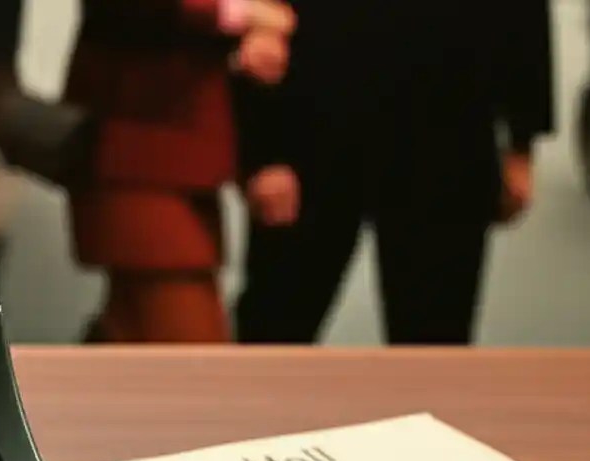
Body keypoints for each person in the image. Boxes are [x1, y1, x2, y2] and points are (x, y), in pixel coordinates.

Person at [234, 0, 554, 344]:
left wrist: (523, 141)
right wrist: (259, 149)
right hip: (308, 128)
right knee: (274, 331)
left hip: (448, 130)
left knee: (433, 343)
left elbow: (522, 13)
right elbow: (258, 18)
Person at [64, 0, 296, 342]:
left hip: (181, 149)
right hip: (139, 143)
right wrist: (238, 14)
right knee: (188, 350)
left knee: (135, 334)